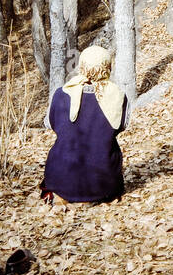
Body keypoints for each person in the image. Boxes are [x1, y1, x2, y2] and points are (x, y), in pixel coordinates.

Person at [41, 45, 127, 205]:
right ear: (107, 67)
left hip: (60, 181)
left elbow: (51, 125)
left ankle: (63, 196)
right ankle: (94, 197)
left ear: (82, 66)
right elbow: (121, 127)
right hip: (104, 184)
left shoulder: (61, 94)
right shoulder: (118, 96)